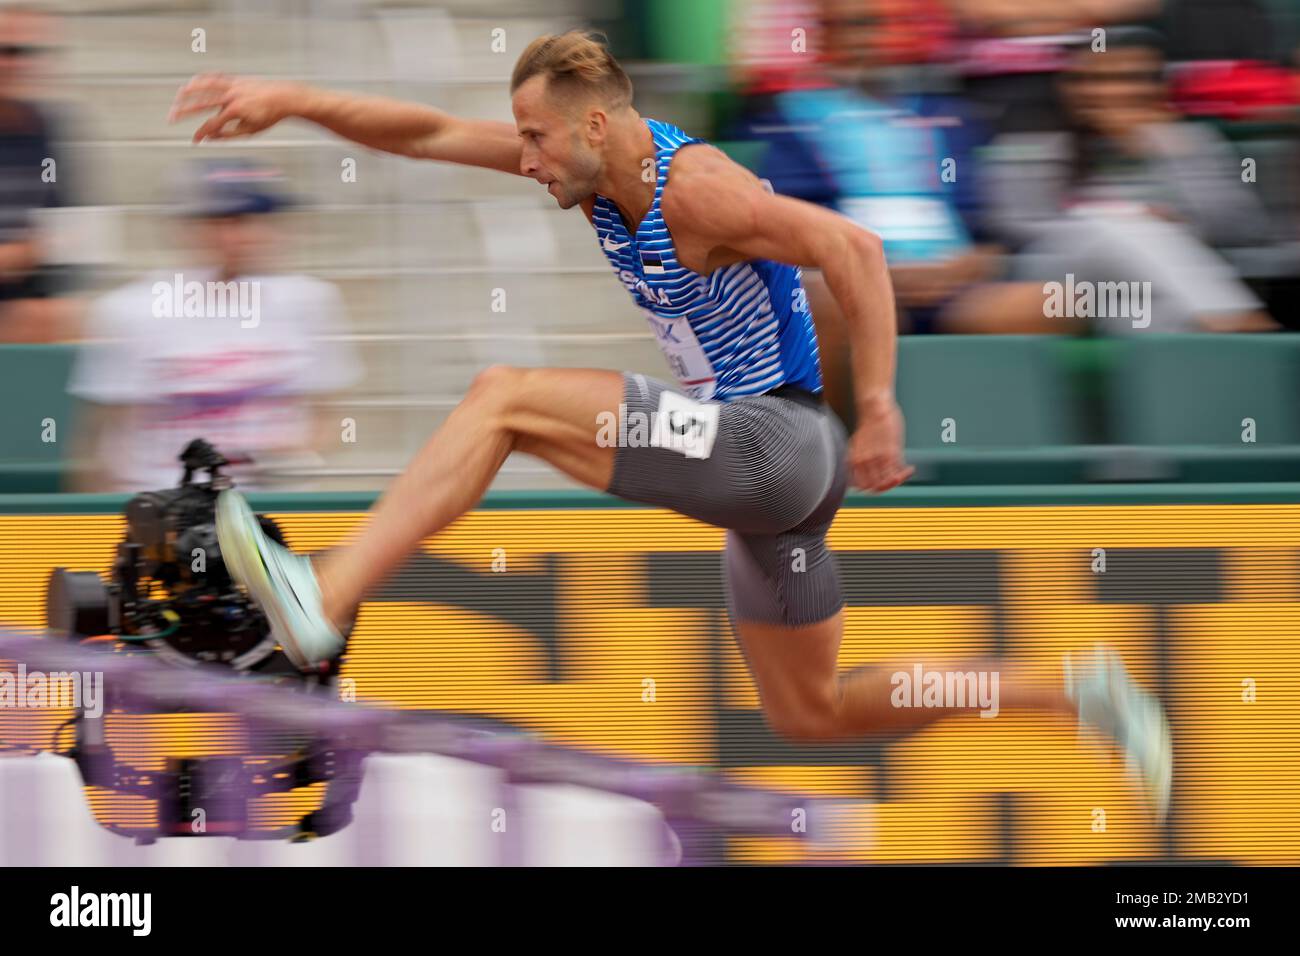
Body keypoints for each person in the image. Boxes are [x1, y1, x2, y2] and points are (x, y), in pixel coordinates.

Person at [169, 31, 1171, 817]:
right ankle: (1073, 689)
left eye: (534, 138)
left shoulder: (696, 188)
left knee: (502, 396)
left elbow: (854, 249)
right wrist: (292, 100)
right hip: (772, 481)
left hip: (773, 441)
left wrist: (877, 409)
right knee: (808, 710)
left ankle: (323, 594)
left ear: (595, 125)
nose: (523, 159)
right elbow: (426, 132)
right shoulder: (593, 173)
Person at [67, 158, 362, 492]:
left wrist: (291, 456)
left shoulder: (309, 301)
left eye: (260, 220)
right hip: (168, 504)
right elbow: (103, 440)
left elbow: (325, 415)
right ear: (190, 228)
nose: (249, 235)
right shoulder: (131, 310)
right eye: (230, 221)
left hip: (271, 508)